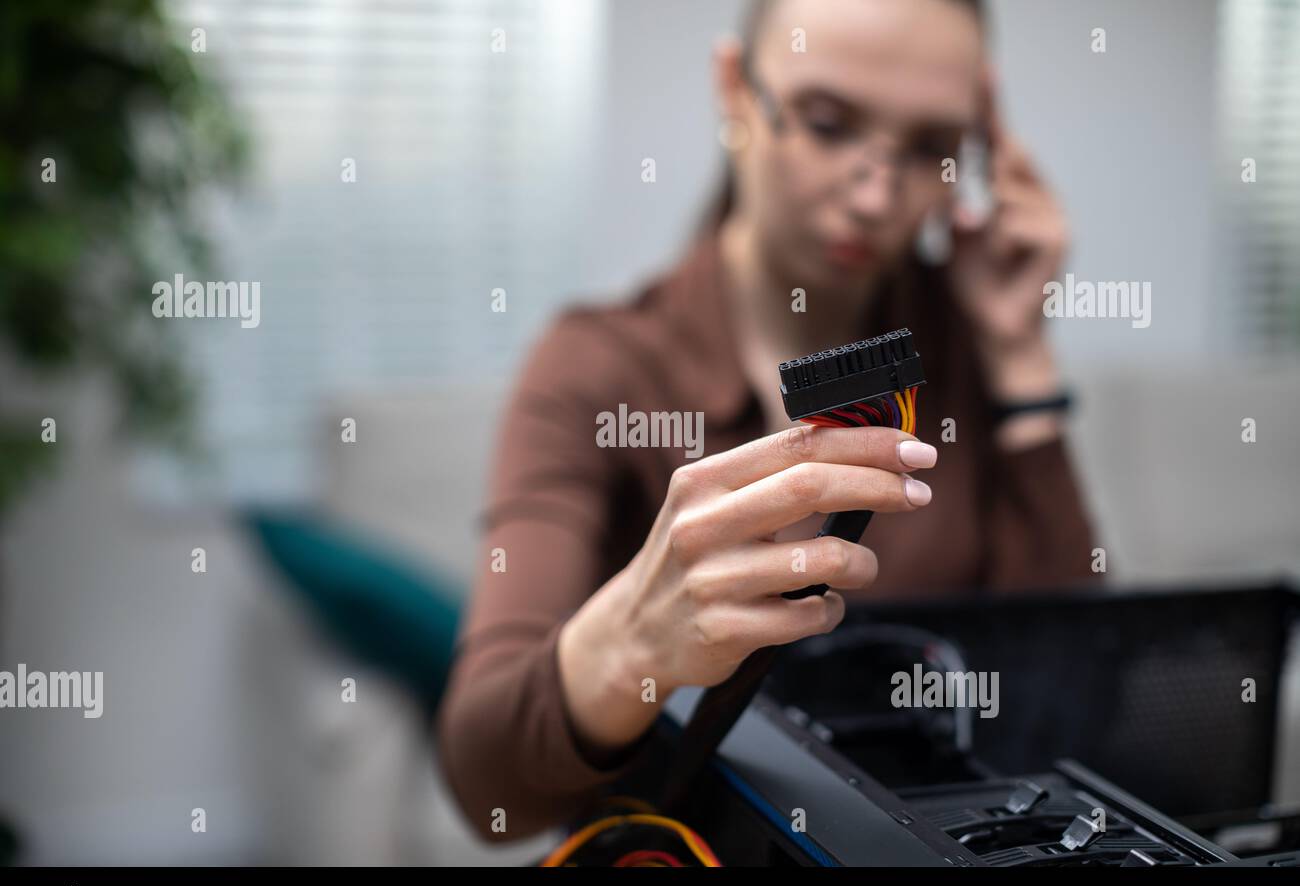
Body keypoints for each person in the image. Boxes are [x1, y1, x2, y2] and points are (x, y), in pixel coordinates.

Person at [435, 0, 1095, 841]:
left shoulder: (968, 343)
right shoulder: (598, 368)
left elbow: (1079, 701)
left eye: (930, 147)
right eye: (826, 124)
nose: (874, 190)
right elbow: (484, 784)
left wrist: (1019, 357)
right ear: (733, 89)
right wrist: (630, 646)